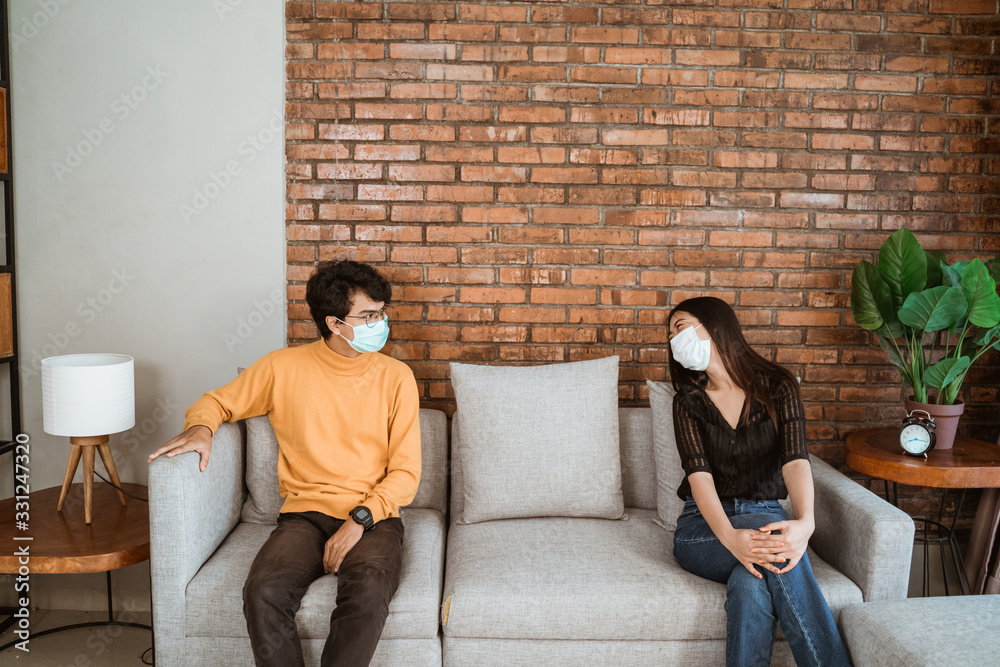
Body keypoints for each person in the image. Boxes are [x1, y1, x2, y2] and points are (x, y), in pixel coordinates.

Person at [148, 260, 421, 667]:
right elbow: (216, 401)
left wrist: (359, 519)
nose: (380, 323)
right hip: (304, 516)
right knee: (263, 592)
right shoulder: (282, 368)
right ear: (334, 322)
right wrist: (202, 427)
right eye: (368, 315)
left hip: (374, 518)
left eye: (382, 312)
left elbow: (406, 473)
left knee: (368, 589)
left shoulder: (396, 377)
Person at [666, 297, 850, 667]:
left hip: (766, 514)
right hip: (702, 529)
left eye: (679, 326)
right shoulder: (688, 402)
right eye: (669, 334)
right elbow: (699, 477)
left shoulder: (778, 387)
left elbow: (795, 461)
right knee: (777, 550)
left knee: (749, 584)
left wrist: (807, 521)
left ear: (713, 326)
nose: (673, 340)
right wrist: (731, 539)